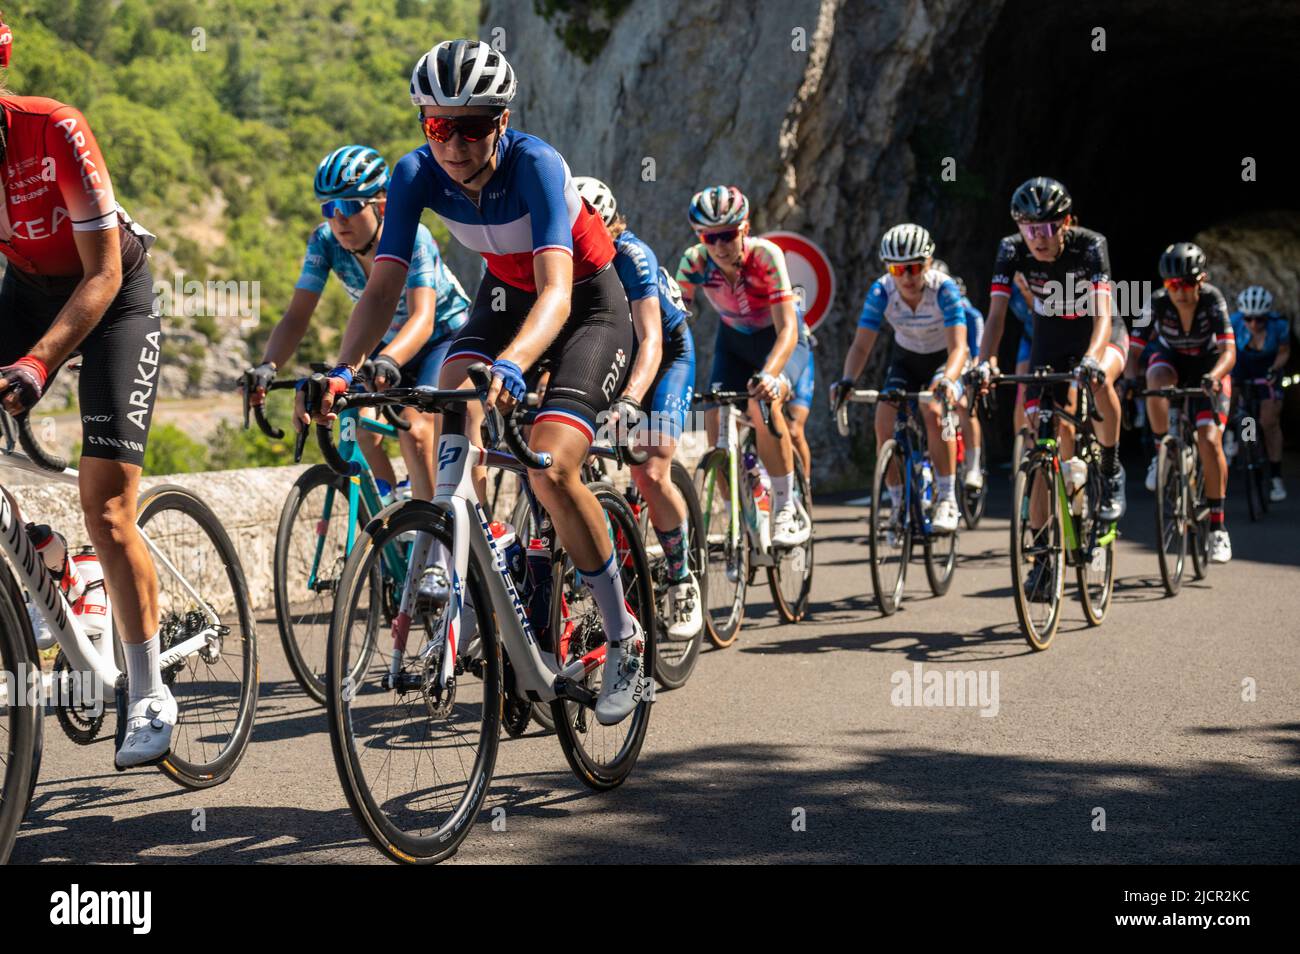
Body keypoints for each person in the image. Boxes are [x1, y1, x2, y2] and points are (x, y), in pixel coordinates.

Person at [301, 39, 646, 725]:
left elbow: (555, 293)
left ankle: (624, 637)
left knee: (551, 466)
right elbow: (381, 289)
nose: (454, 143)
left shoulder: (539, 166)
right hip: (504, 297)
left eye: (474, 125)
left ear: (503, 121)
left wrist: (515, 365)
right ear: (423, 122)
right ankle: (485, 543)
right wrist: (342, 370)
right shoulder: (413, 175)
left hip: (584, 304)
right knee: (445, 395)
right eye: (438, 126)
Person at [0, 78, 169, 766]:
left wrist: (37, 365)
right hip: (25, 292)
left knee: (106, 505)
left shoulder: (53, 130)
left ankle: (150, 689)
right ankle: (50, 558)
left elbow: (99, 272)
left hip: (111, 293)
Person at [248, 145, 469, 501]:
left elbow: (423, 319)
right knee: (358, 425)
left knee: (415, 430)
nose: (339, 220)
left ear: (382, 204)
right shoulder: (325, 241)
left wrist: (390, 360)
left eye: (350, 206)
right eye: (328, 208)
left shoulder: (413, 237)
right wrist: (268, 365)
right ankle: (392, 509)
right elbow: (297, 315)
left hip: (441, 336)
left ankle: (433, 533)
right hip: (384, 341)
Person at [978, 178, 1128, 594]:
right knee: (1042, 441)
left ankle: (1110, 470)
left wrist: (1094, 359)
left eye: (1048, 227)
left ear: (1067, 223)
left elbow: (1102, 313)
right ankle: (1044, 557)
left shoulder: (1090, 245)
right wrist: (984, 362)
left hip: (1100, 333)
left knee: (1100, 384)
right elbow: (996, 317)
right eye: (1029, 227)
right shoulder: (1011, 250)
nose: (1039, 238)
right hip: (1051, 338)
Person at [573, 175, 702, 640]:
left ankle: (681, 576)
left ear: (610, 226)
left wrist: (629, 400)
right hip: (615, 353)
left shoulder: (632, 256)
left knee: (650, 469)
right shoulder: (561, 255)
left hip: (666, 355)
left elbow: (650, 340)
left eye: (593, 232)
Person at [676, 186, 812, 547]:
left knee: (762, 403)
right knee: (713, 417)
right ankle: (737, 514)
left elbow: (787, 329)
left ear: (744, 228)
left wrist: (770, 374)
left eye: (728, 235)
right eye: (710, 237)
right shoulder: (694, 262)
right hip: (733, 343)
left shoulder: (766, 256)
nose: (719, 245)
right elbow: (675, 324)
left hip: (780, 340)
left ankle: (785, 506)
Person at [833, 224, 968, 534]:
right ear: (888, 268)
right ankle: (897, 504)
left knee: (933, 411)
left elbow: (959, 347)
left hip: (943, 360)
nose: (906, 276)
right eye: (898, 268)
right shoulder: (882, 290)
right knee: (883, 422)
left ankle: (947, 498)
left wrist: (948, 379)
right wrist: (847, 380)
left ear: (929, 263)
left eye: (914, 267)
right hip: (906, 360)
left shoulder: (944, 289)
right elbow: (862, 344)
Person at [1126, 243, 1236, 562]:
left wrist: (1214, 376)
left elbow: (1229, 352)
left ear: (1201, 281)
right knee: (1155, 377)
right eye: (1174, 285)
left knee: (1209, 440)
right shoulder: (1156, 303)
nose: (1181, 292)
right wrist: (1130, 379)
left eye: (1188, 284)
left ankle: (1217, 527)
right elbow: (1134, 351)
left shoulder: (1213, 301)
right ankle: (1163, 448)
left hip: (1208, 365)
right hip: (1172, 359)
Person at [1229, 284, 1290, 502]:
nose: (1253, 324)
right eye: (1249, 319)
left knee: (1268, 421)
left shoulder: (1279, 326)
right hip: (1241, 366)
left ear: (1267, 317)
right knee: (1232, 397)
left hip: (1268, 369)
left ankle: (1275, 477)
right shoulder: (1234, 323)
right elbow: (1225, 351)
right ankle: (1236, 436)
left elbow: (1284, 353)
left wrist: (1274, 370)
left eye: (1259, 320)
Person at [933, 260, 984, 492]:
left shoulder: (965, 311)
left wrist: (975, 367)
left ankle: (973, 466)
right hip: (935, 363)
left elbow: (975, 347)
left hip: (961, 360)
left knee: (964, 406)